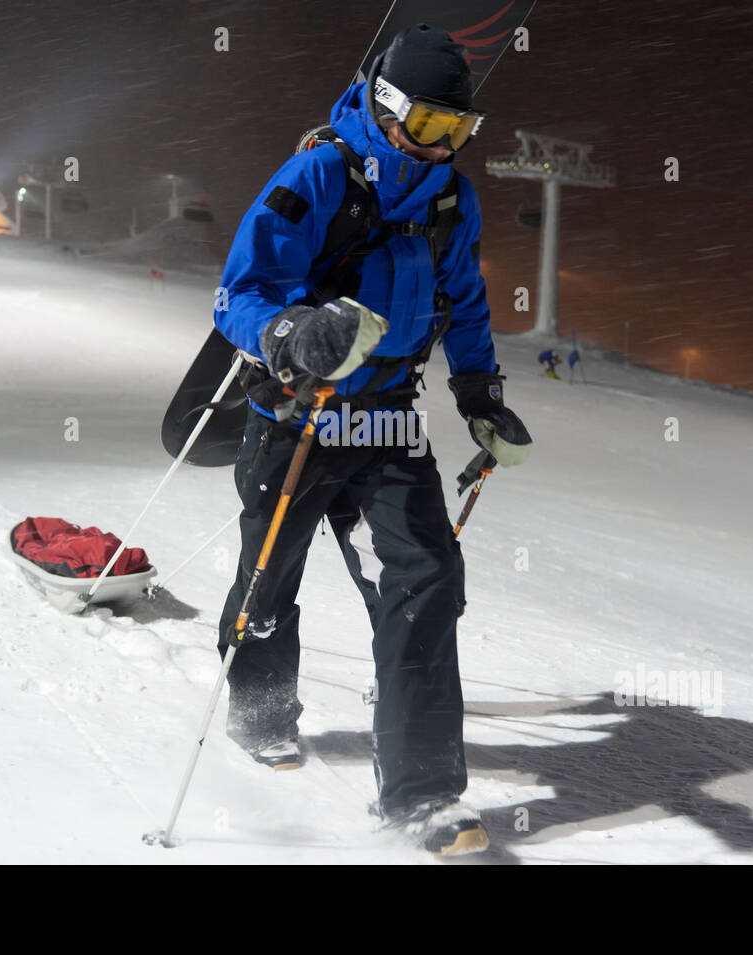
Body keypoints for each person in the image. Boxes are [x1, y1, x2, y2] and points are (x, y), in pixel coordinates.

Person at [211, 24, 531, 854]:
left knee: (427, 576)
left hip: (389, 416)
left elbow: (464, 300)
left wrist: (479, 393)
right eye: (427, 127)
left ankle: (422, 793)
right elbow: (237, 293)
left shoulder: (452, 200)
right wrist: (291, 332)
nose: (440, 148)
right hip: (298, 415)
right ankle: (259, 713)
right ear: (386, 109)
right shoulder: (320, 172)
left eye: (457, 132)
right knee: (269, 577)